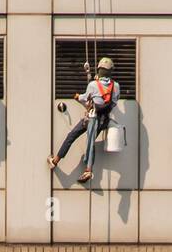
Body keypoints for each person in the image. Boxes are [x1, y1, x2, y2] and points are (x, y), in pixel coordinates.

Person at [49, 57, 119, 185]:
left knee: (72, 136)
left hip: (91, 118)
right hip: (103, 120)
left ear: (99, 70)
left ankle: (57, 161)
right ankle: (85, 168)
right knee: (90, 142)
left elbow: (84, 98)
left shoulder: (93, 85)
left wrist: (77, 97)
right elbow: (113, 103)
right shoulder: (116, 86)